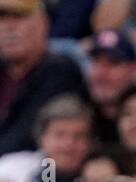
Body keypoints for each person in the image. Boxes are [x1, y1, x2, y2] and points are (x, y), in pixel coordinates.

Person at [0, 0, 88, 157]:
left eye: (19, 18)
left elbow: (28, 138)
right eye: (2, 18)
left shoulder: (60, 72)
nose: (8, 27)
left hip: (41, 167)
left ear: (43, 24)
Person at [85, 28, 136, 145]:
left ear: (134, 69)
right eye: (96, 62)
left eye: (113, 63)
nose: (101, 73)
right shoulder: (79, 112)